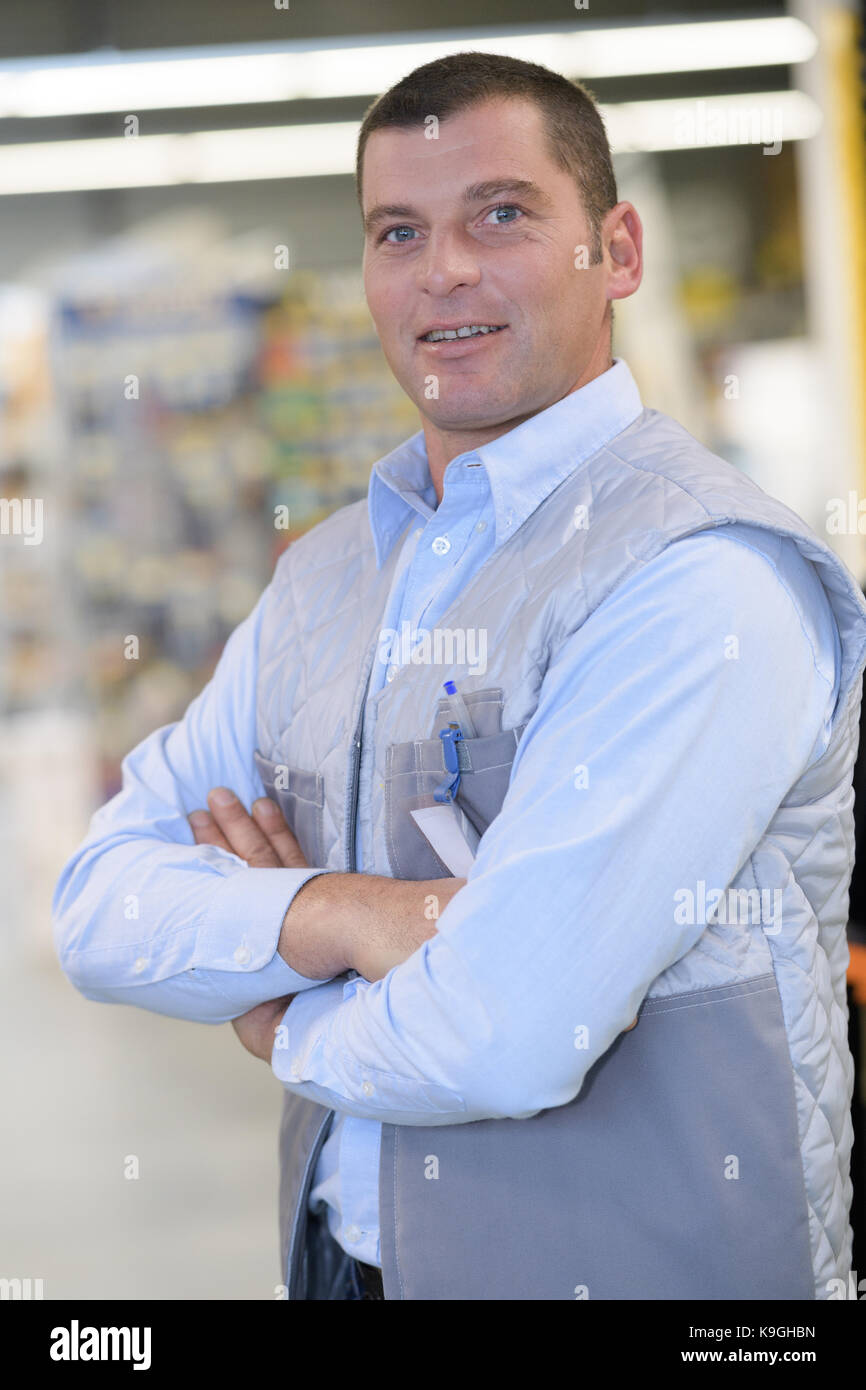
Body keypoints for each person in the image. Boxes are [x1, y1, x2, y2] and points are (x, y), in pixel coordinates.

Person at [53, 52, 866, 1301]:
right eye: (397, 231)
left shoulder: (700, 577)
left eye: (500, 213)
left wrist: (282, 1016)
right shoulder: (319, 582)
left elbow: (507, 1033)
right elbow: (99, 904)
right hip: (339, 1264)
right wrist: (340, 912)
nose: (443, 270)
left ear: (620, 250)